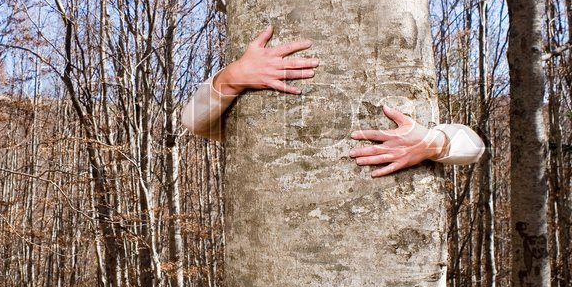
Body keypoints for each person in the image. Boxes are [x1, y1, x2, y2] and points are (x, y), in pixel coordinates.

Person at [181, 25, 484, 175]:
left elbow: (475, 147)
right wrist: (231, 77)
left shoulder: (408, 98)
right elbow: (193, 121)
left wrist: (432, 143)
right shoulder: (250, 109)